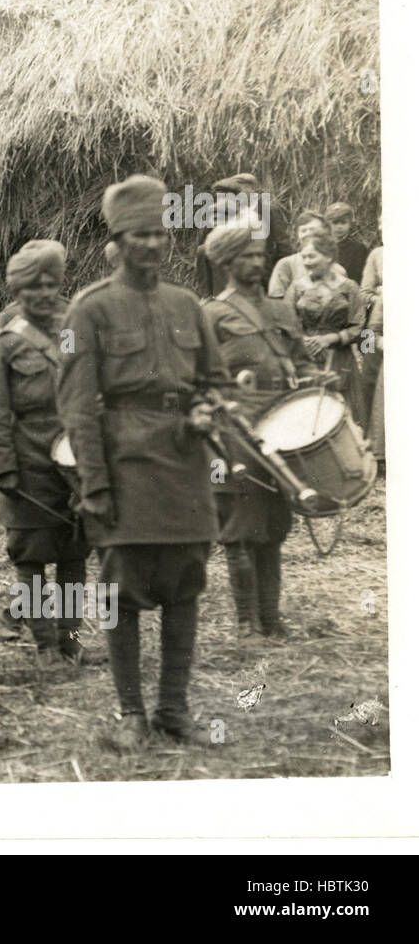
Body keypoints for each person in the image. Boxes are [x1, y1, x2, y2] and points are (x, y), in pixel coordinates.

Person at [57, 175, 229, 749]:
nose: (153, 244)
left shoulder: (188, 305)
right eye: (139, 235)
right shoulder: (90, 311)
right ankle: (130, 713)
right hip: (124, 463)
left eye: (159, 233)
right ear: (116, 244)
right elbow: (78, 407)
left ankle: (173, 711)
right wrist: (94, 485)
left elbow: (215, 381)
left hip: (185, 463)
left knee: (185, 586)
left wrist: (208, 410)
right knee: (122, 591)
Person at [0, 240, 96, 663]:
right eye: (33, 287)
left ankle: (71, 641)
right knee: (30, 557)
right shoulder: (2, 345)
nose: (43, 294)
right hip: (28, 466)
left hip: (75, 465)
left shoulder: (75, 331)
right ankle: (45, 645)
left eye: (50, 284)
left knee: (74, 553)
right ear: (17, 291)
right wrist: (2, 469)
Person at [202, 220, 317, 642]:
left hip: (284, 428)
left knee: (274, 525)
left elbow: (300, 362)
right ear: (227, 262)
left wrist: (317, 380)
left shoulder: (282, 309)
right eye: (246, 256)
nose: (256, 262)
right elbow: (199, 377)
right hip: (236, 432)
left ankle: (272, 618)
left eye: (259, 255)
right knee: (240, 528)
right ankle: (246, 623)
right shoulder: (211, 314)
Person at [284, 229, 366, 422]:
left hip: (340, 362)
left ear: (328, 257)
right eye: (303, 257)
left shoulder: (349, 287)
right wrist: (301, 341)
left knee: (345, 419)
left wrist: (332, 338)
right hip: (307, 361)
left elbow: (360, 327)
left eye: (311, 256)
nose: (306, 262)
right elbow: (286, 324)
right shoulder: (296, 288)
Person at [267, 212, 345, 298]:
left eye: (313, 230)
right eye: (303, 230)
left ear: (325, 233)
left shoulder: (338, 270)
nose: (307, 234)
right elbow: (276, 300)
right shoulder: (286, 264)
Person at [360, 244, 384, 466]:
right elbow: (364, 291)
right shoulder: (377, 255)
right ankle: (370, 442)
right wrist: (380, 296)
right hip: (372, 328)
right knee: (368, 380)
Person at [325, 202, 370, 284]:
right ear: (327, 224)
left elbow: (361, 278)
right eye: (335, 223)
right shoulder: (321, 246)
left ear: (350, 224)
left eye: (343, 222)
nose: (339, 227)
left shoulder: (358, 249)